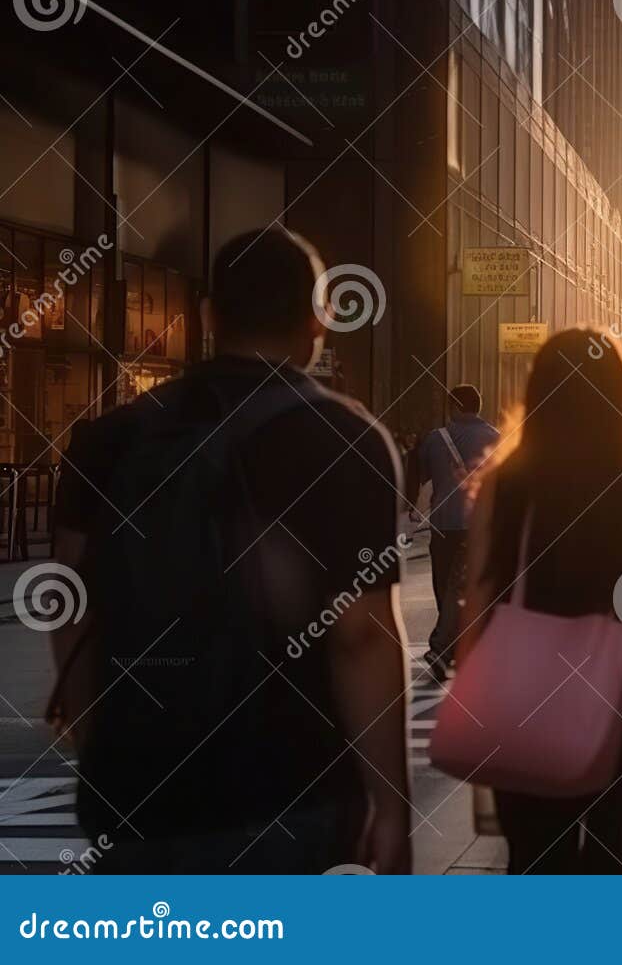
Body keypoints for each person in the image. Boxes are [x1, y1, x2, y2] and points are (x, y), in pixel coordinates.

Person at [50, 227, 411, 873]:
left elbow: (69, 606)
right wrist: (391, 803)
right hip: (291, 792)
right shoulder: (346, 438)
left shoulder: (111, 439)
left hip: (139, 792)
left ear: (209, 315)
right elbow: (362, 634)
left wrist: (99, 742)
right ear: (318, 321)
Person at [455, 328, 622, 874]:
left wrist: (481, 716)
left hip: (528, 703)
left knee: (537, 868)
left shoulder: (502, 489)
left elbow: (477, 614)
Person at [414, 384, 500, 682]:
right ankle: (457, 646)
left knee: (443, 584)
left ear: (453, 406)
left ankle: (445, 647)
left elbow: (423, 478)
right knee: (473, 587)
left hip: (444, 524)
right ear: (478, 406)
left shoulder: (435, 440)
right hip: (479, 524)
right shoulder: (496, 438)